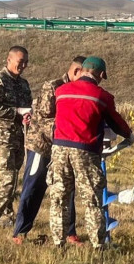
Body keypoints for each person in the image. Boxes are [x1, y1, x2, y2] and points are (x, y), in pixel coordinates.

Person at [48, 56, 134, 248]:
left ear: (82, 70)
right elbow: (115, 122)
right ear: (101, 74)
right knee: (92, 200)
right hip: (85, 150)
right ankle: (98, 245)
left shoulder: (61, 91)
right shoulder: (101, 96)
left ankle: (58, 243)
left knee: (59, 198)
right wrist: (129, 134)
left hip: (59, 149)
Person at [11, 56, 85, 244]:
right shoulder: (53, 87)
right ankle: (20, 232)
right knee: (33, 186)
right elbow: (44, 117)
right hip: (42, 145)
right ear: (76, 71)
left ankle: (70, 232)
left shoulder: (80, 90)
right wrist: (68, 125)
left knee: (67, 188)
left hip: (65, 146)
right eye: (85, 76)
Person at [0, 46, 32, 229]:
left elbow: (28, 107)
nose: (24, 65)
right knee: (8, 177)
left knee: (14, 175)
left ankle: (7, 217)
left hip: (18, 136)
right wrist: (16, 112)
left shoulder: (23, 84)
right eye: (21, 62)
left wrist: (28, 115)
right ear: (9, 60)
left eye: (26, 62)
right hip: (2, 136)